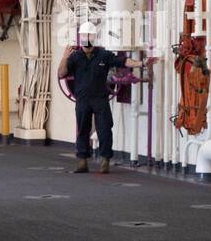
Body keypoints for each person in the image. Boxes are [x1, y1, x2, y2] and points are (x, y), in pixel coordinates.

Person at [60, 21, 156, 173]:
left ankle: (105, 160)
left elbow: (123, 61)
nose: (86, 38)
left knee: (105, 128)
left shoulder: (103, 55)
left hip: (100, 98)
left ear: (94, 37)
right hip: (83, 99)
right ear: (80, 37)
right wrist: (64, 57)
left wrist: (141, 63)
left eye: (89, 35)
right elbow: (61, 73)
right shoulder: (74, 57)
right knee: (82, 129)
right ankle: (82, 161)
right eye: (84, 35)